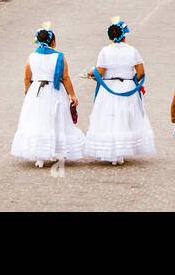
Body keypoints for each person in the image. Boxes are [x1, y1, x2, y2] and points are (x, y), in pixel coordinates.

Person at [12, 26, 85, 168]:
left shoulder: (32, 57)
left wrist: (27, 90)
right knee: (56, 120)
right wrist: (72, 95)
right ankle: (56, 151)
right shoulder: (59, 57)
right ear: (53, 42)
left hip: (37, 92)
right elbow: (65, 77)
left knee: (38, 120)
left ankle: (39, 155)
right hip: (54, 91)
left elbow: (27, 77)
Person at [84, 20, 154, 165]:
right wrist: (133, 81)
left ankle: (110, 151)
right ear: (124, 36)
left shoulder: (105, 51)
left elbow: (101, 71)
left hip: (109, 86)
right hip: (127, 86)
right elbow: (141, 72)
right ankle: (121, 152)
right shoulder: (132, 50)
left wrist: (91, 72)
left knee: (109, 116)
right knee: (124, 117)